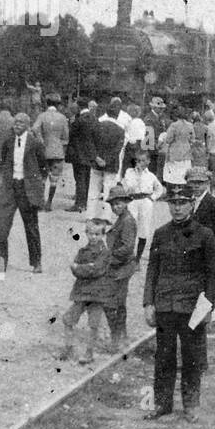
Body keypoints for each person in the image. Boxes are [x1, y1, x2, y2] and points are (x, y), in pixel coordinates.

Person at [143, 186, 215, 422]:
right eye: (173, 203)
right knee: (163, 356)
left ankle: (191, 405)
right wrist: (148, 303)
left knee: (192, 356)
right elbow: (152, 269)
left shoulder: (205, 234)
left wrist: (207, 305)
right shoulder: (161, 233)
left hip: (192, 305)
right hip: (165, 303)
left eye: (182, 203)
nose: (177, 208)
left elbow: (212, 274)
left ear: (191, 205)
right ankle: (162, 404)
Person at [0, 112, 47, 274]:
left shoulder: (35, 144)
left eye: (21, 123)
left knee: (31, 228)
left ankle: (36, 262)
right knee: (1, 228)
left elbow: (43, 166)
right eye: (15, 122)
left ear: (28, 126)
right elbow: (3, 163)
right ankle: (0, 264)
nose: (17, 125)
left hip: (27, 191)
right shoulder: (8, 143)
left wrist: (35, 184)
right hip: (10, 189)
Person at [58, 217, 113, 364]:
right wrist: (81, 268)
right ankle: (68, 348)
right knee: (68, 319)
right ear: (86, 233)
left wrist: (80, 268)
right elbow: (75, 269)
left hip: (97, 294)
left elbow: (96, 269)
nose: (93, 237)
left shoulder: (105, 252)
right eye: (90, 233)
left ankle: (89, 353)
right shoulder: (82, 251)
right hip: (82, 292)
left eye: (97, 234)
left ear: (103, 235)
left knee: (93, 325)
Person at [102, 184, 138, 352]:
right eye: (113, 204)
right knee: (118, 303)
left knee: (111, 303)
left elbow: (127, 247)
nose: (116, 207)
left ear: (126, 202)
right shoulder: (122, 219)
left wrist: (108, 258)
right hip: (120, 267)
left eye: (119, 203)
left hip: (120, 268)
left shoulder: (127, 221)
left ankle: (117, 338)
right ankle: (120, 336)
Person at [122, 151, 166, 260]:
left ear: (148, 161)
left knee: (144, 228)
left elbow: (159, 189)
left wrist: (152, 198)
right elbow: (127, 186)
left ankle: (138, 258)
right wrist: (137, 175)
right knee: (130, 226)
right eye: (138, 161)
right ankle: (128, 256)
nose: (140, 163)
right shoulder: (129, 172)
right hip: (132, 200)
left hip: (145, 201)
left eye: (143, 161)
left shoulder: (151, 176)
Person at [33, 94, 69, 211]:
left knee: (42, 178)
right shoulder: (62, 118)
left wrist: (40, 140)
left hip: (44, 151)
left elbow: (34, 129)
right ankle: (49, 203)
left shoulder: (42, 116)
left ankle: (40, 202)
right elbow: (66, 136)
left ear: (46, 103)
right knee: (54, 179)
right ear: (58, 105)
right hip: (57, 152)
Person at [187, 167, 215, 262]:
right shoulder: (187, 202)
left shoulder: (214, 205)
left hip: (207, 258)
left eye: (200, 183)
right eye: (192, 183)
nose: (196, 186)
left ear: (207, 183)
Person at [88, 111, 126, 219]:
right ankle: (106, 216)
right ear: (117, 115)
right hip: (111, 165)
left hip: (96, 163)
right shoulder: (120, 130)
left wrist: (96, 157)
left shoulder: (96, 126)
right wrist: (107, 161)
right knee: (108, 191)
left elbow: (90, 144)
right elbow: (117, 150)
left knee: (93, 190)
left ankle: (90, 215)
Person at [65, 98, 95, 214]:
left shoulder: (78, 120)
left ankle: (79, 204)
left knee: (79, 179)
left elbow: (71, 134)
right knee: (86, 178)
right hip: (88, 154)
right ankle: (84, 203)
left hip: (78, 154)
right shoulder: (93, 118)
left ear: (79, 107)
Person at [159, 110, 194, 190]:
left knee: (173, 174)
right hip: (186, 152)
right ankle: (183, 191)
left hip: (175, 152)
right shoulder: (190, 125)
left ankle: (173, 191)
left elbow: (168, 139)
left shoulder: (173, 125)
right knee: (184, 172)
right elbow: (192, 139)